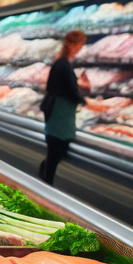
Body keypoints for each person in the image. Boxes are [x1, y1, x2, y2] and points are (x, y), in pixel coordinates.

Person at [39, 30, 90, 186]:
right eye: (80, 45)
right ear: (73, 45)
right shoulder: (64, 65)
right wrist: (88, 102)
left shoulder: (61, 63)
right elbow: (71, 92)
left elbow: (63, 86)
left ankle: (44, 176)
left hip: (57, 113)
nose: (81, 49)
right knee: (57, 151)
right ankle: (46, 186)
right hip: (59, 114)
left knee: (55, 152)